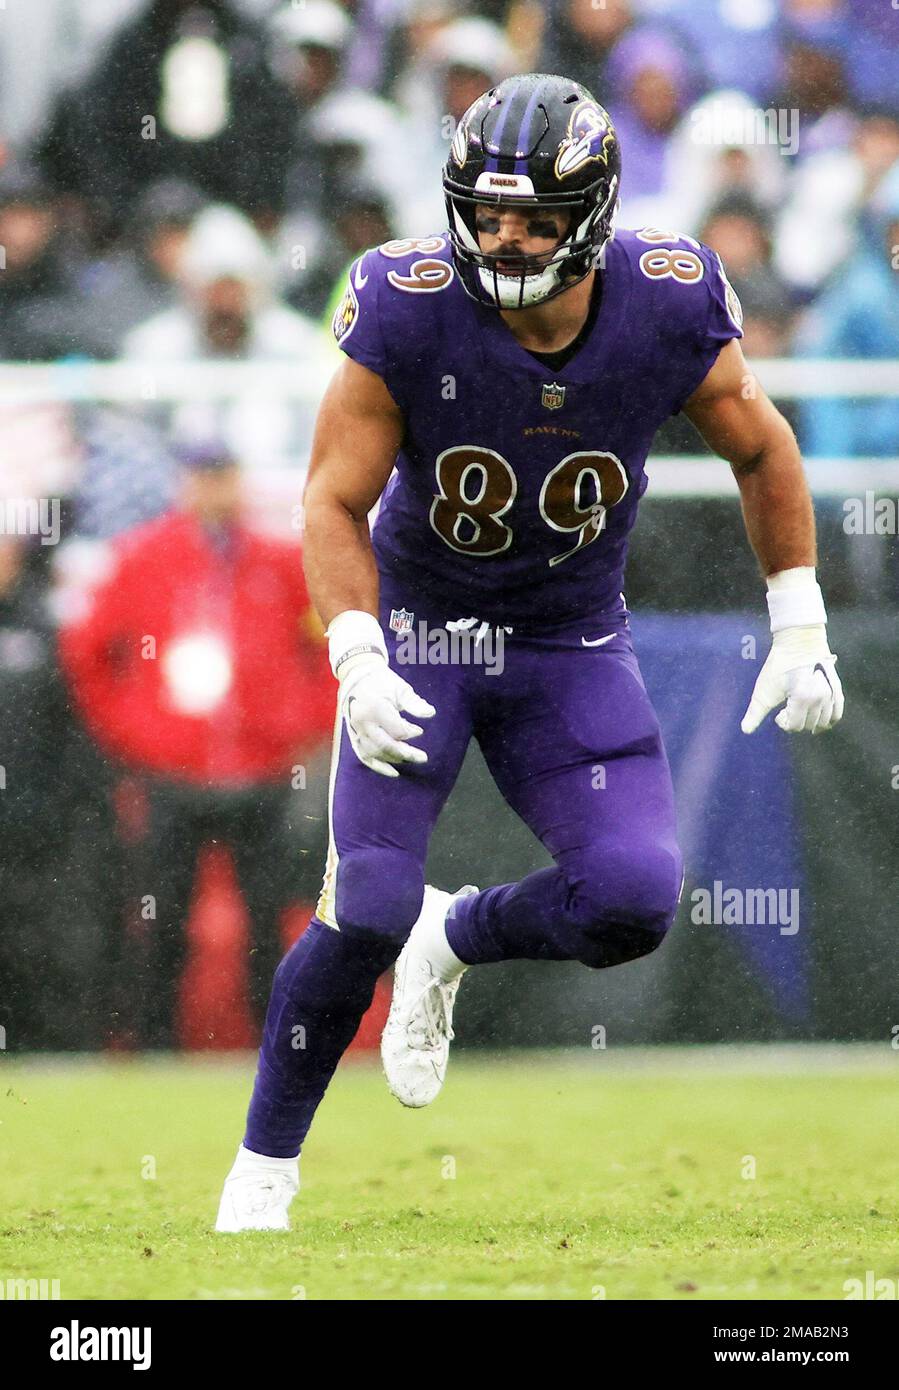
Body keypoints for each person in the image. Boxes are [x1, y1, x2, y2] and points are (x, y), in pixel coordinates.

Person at [215, 72, 844, 1232]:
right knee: (366, 902)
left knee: (630, 899)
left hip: (566, 635)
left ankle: (453, 941)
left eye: (535, 219)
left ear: (593, 219)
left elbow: (762, 450)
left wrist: (795, 616)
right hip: (421, 631)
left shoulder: (665, 299)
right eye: (487, 212)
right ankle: (261, 1171)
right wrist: (354, 650)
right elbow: (330, 500)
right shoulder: (406, 301)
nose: (503, 239)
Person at [59, 442, 334, 1047]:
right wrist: (134, 734)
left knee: (268, 916)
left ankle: (275, 1045)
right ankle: (156, 1045)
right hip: (171, 774)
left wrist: (301, 726)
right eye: (203, 478)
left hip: (261, 772)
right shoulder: (141, 558)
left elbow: (328, 650)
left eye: (223, 476)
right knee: (163, 914)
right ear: (183, 483)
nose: (214, 490)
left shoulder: (277, 560)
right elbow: (88, 653)